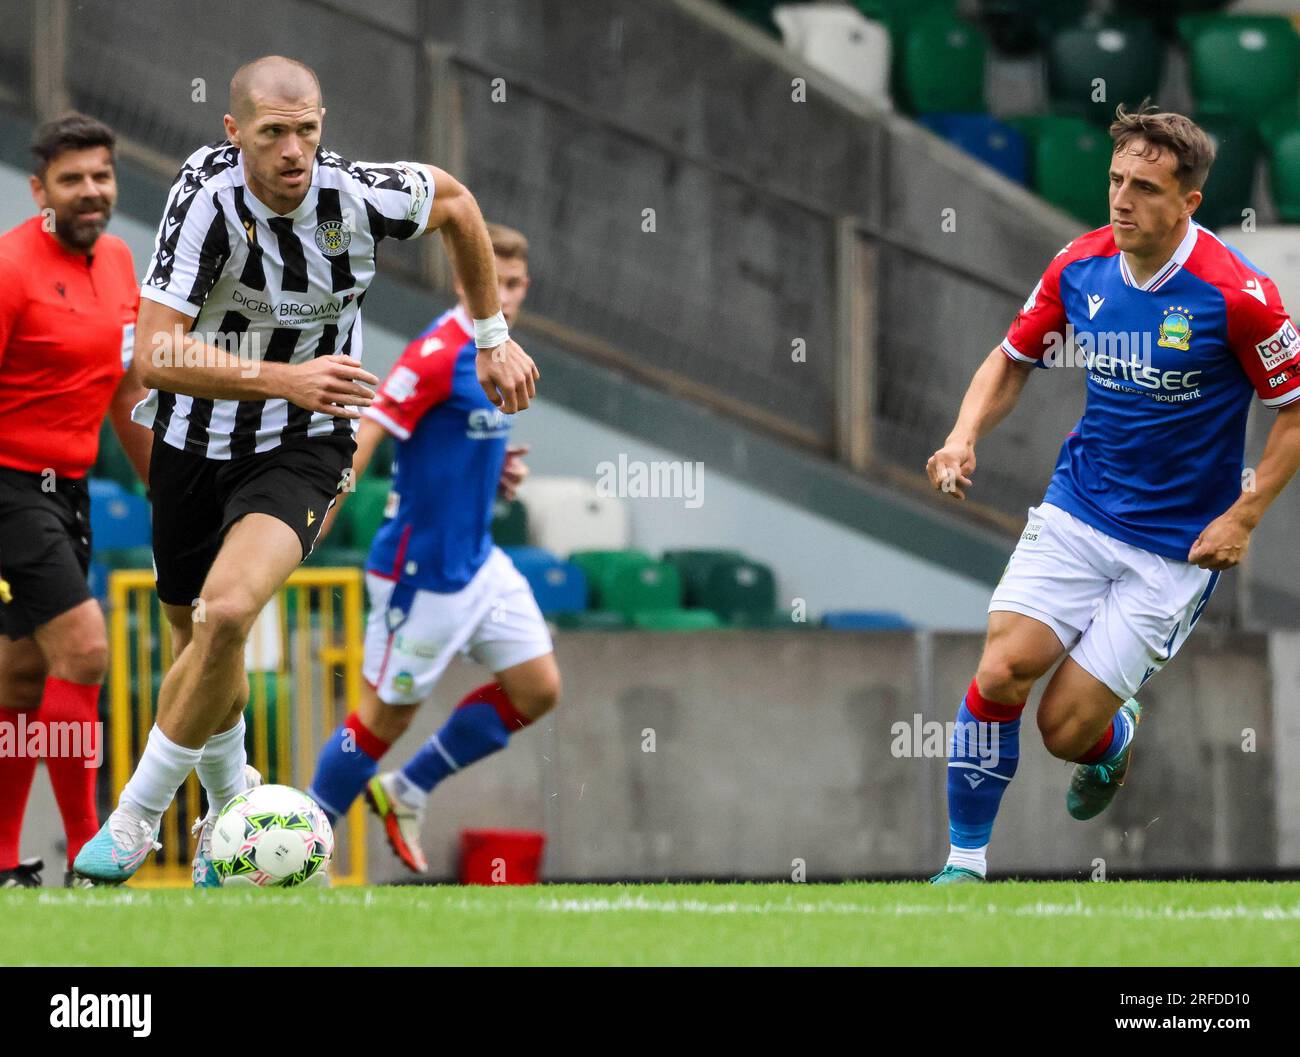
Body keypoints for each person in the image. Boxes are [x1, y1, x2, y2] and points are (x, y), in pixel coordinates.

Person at [73, 55, 538, 885]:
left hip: (305, 439)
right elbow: (155, 355)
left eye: (308, 131)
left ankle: (136, 817)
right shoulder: (205, 203)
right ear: (233, 133)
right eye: (273, 134)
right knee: (193, 636)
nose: (294, 151)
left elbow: (459, 204)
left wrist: (493, 334)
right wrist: (284, 374)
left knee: (226, 613)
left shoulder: (357, 197)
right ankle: (228, 809)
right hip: (194, 437)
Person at [924, 105, 1300, 883]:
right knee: (1000, 671)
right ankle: (963, 865)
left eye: (1146, 188)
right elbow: (1011, 359)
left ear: (1189, 202)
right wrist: (964, 435)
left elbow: (1294, 410)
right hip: (1079, 508)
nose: (1122, 200)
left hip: (1175, 549)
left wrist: (1246, 514)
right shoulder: (1079, 265)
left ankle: (1110, 740)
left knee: (1064, 730)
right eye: (1115, 180)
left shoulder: (1241, 295)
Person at [307, 222, 557, 873]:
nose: (500, 294)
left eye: (511, 283)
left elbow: (458, 440)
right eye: (489, 280)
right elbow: (371, 431)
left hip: (479, 564)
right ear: (463, 279)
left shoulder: (501, 354)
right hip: (418, 576)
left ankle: (409, 789)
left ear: (524, 287)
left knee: (537, 688)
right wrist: (317, 513)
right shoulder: (436, 352)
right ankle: (297, 849)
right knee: (378, 723)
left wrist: (496, 471)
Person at [0, 114, 151, 888]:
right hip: (8, 489)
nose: (90, 191)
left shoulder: (123, 261)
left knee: (23, 677)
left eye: (101, 176)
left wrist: (165, 488)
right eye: (72, 179)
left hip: (74, 492)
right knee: (88, 650)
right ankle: (93, 859)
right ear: (39, 191)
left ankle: (4, 865)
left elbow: (128, 390)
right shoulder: (10, 268)